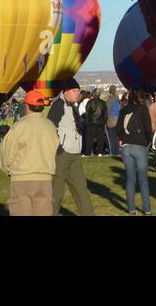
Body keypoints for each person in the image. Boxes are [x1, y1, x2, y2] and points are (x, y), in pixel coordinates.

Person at [0, 89, 58, 215]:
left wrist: (6, 168)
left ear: (26, 106)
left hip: (22, 179)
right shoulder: (50, 126)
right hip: (45, 179)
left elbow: (7, 152)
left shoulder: (20, 126)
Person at [46, 79, 93, 215]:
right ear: (65, 92)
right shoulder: (58, 105)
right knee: (57, 192)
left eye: (78, 91)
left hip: (75, 154)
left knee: (81, 190)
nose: (77, 93)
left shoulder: (73, 105)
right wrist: (59, 148)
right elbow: (50, 128)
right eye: (74, 91)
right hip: (62, 154)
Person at [116, 90, 153, 214]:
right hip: (140, 144)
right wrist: (148, 142)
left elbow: (118, 128)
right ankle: (147, 210)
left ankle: (131, 209)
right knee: (143, 180)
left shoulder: (123, 109)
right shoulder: (143, 109)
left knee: (130, 179)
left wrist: (121, 138)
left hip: (126, 145)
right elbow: (148, 128)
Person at [83, 89, 108, 156]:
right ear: (99, 94)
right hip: (101, 123)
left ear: (94, 94)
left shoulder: (90, 102)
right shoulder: (103, 103)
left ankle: (88, 153)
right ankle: (100, 152)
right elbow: (106, 114)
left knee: (89, 138)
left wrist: (87, 122)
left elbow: (87, 113)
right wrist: (104, 121)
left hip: (91, 123)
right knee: (100, 138)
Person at [105, 87, 122, 156]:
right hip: (117, 121)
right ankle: (117, 151)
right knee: (116, 137)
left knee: (111, 138)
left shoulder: (109, 99)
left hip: (111, 121)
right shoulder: (117, 99)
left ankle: (112, 152)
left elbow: (107, 111)